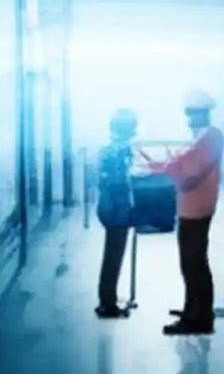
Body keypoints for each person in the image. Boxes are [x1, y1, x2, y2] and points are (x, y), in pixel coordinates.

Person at [141, 90, 224, 335]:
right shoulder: (203, 137)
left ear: (205, 113)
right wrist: (164, 165)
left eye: (194, 114)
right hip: (191, 206)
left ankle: (199, 319)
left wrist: (166, 167)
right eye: (188, 114)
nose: (190, 119)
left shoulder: (211, 137)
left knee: (194, 262)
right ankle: (193, 309)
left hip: (197, 208)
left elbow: (190, 171)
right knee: (190, 262)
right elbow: (185, 163)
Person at [95, 109, 138, 318]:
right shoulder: (120, 151)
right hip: (117, 210)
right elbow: (119, 182)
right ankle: (108, 303)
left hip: (108, 207)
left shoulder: (108, 149)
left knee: (111, 255)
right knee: (113, 256)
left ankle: (107, 298)